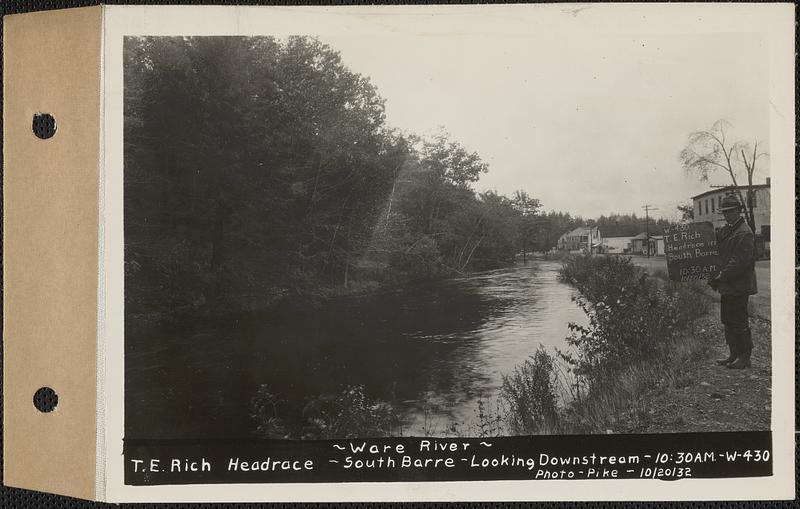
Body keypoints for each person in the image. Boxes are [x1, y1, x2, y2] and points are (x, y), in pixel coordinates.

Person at [707, 194, 758, 369]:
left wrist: (721, 276)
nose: (728, 215)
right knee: (727, 318)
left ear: (738, 211)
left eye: (731, 211)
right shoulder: (726, 230)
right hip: (728, 285)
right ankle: (734, 354)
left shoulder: (744, 232)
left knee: (738, 319)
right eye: (725, 212)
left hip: (739, 284)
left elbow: (739, 262)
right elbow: (713, 250)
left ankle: (745, 357)